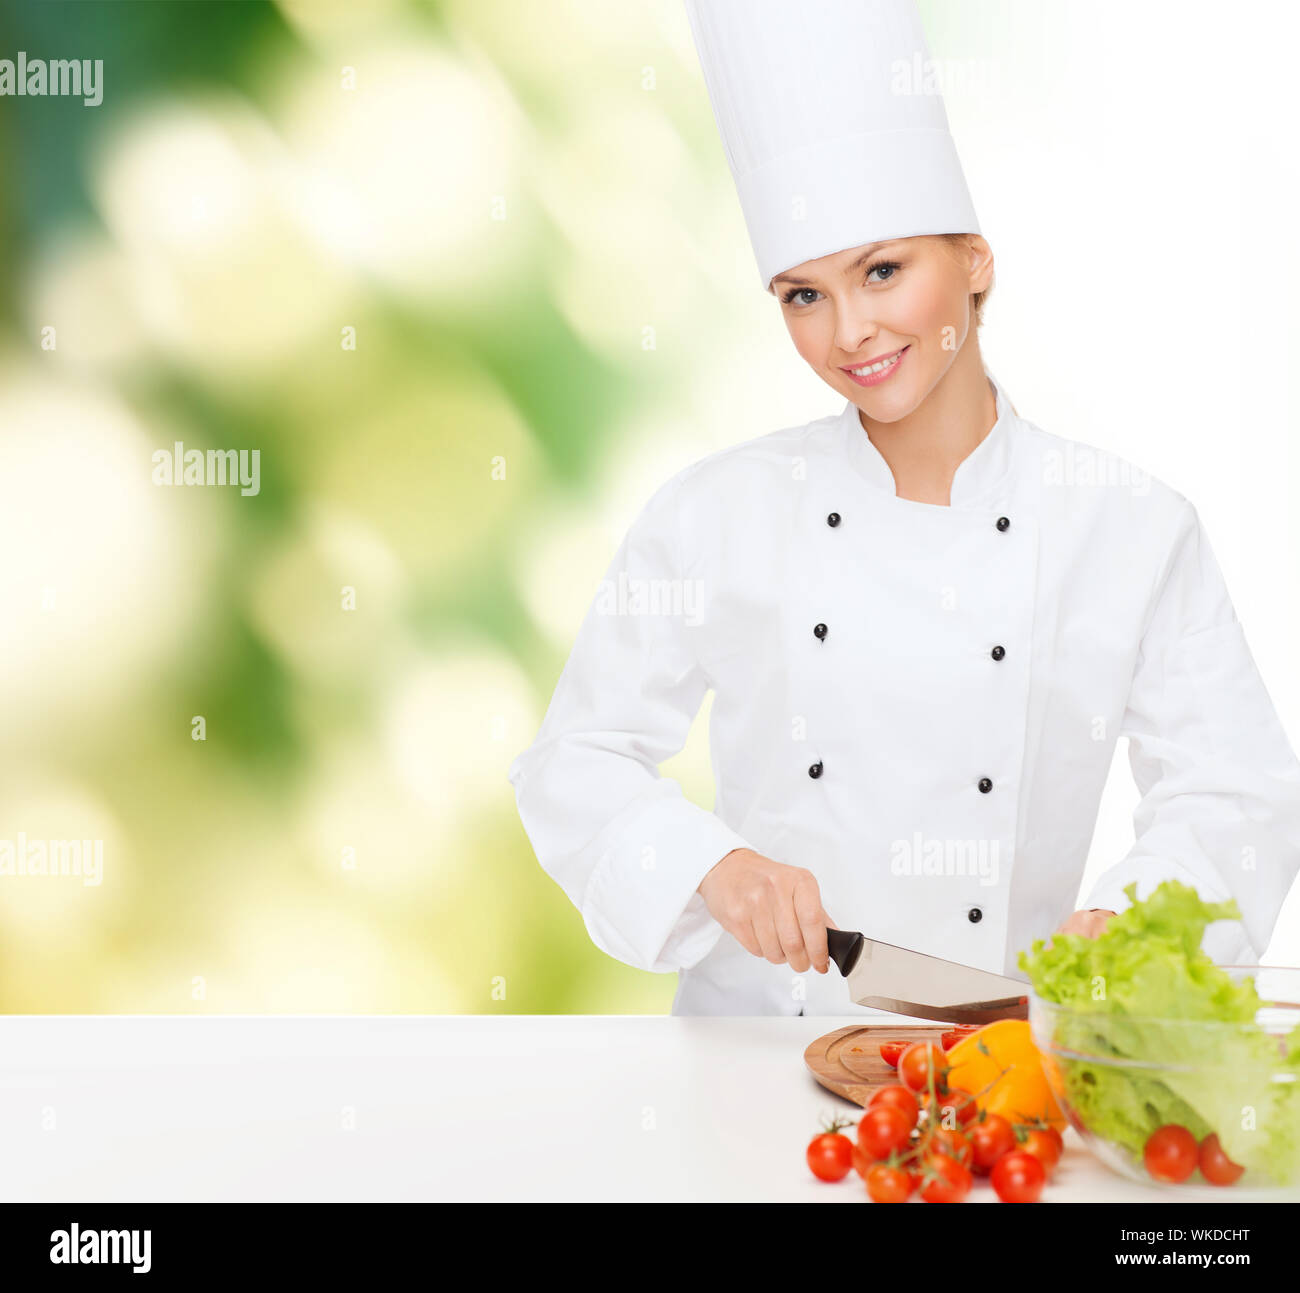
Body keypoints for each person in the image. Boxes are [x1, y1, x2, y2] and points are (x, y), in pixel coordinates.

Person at [508, 0, 1300, 1015]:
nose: (849, 332)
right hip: (750, 1054)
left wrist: (1133, 918)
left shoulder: (1129, 526)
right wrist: (714, 867)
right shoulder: (714, 515)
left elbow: (1236, 790)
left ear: (973, 262)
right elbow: (574, 761)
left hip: (999, 1059)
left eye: (883, 271)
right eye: (802, 294)